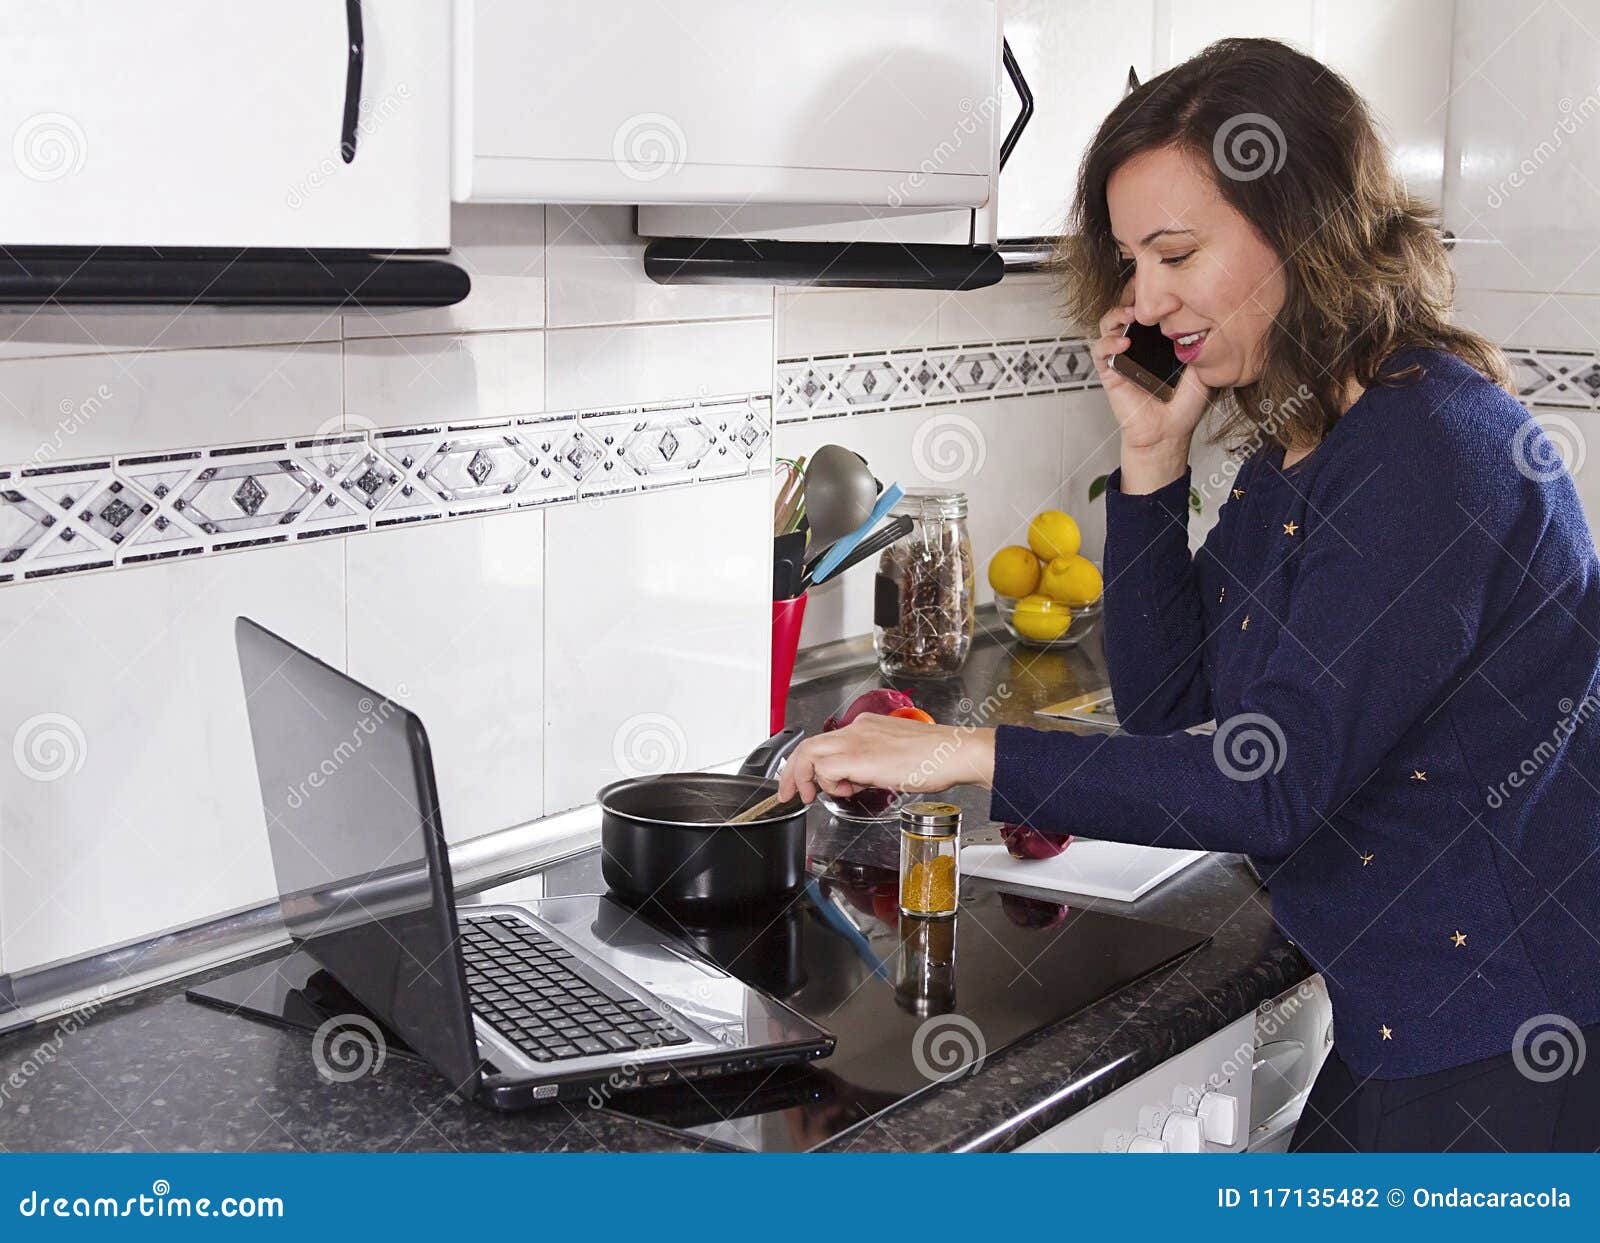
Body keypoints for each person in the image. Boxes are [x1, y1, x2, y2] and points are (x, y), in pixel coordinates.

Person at [776, 38, 1600, 1152]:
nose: (1145, 298)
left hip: (1507, 1032)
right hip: (1407, 1013)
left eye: (1175, 252)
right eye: (1130, 259)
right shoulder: (1309, 440)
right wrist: (1152, 458)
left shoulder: (1431, 452)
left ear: (1302, 228)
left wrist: (963, 753)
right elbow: (1175, 705)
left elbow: (1268, 786)